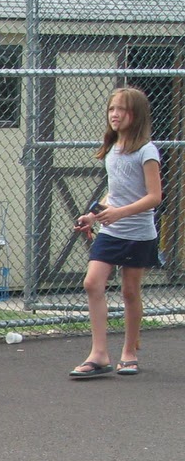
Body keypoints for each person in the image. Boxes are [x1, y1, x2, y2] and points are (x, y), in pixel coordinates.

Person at [70, 87, 163, 380]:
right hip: (111, 231)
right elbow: (116, 193)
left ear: (136, 115)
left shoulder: (147, 151)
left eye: (121, 109)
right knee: (92, 283)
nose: (115, 114)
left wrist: (120, 213)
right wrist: (94, 214)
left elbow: (154, 196)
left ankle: (129, 353)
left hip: (138, 232)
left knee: (130, 291)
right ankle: (99, 355)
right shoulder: (112, 149)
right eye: (111, 109)